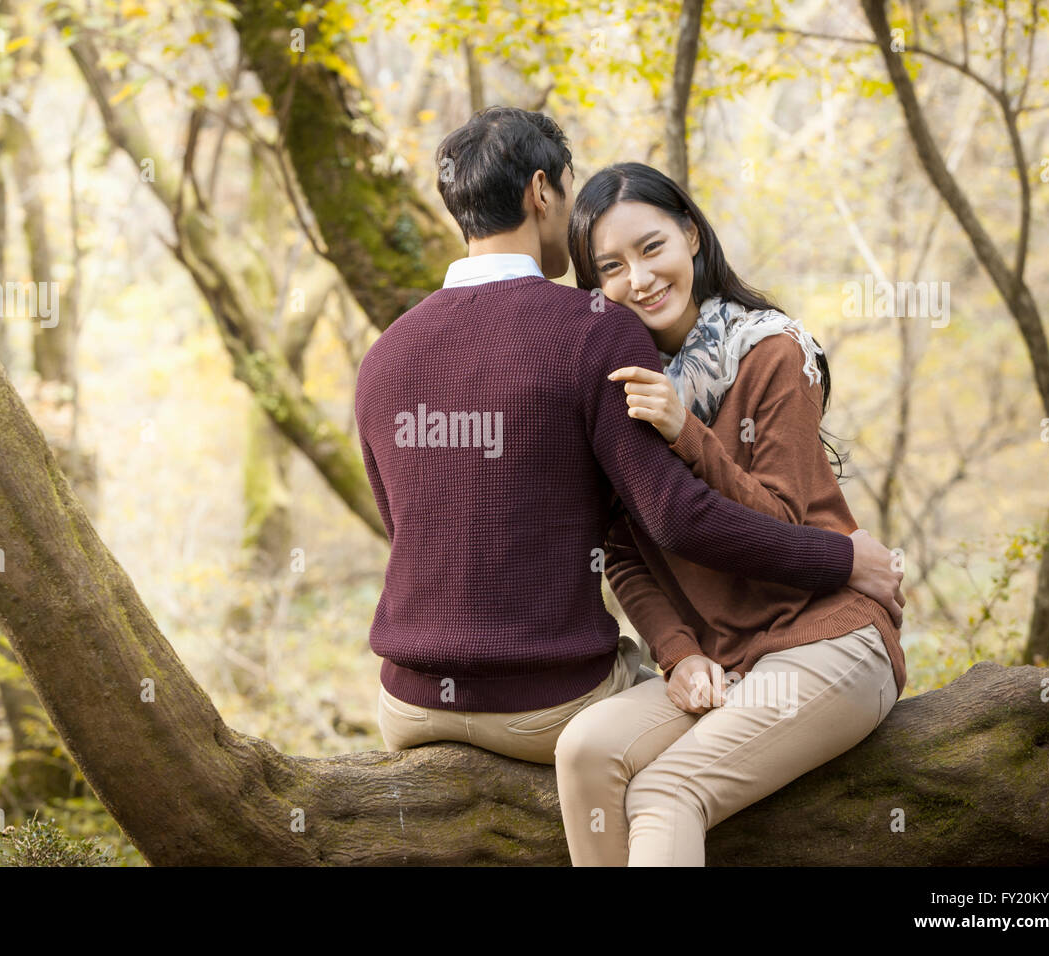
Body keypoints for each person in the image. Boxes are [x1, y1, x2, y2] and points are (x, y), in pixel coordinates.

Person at [355, 107, 904, 766]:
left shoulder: (384, 356)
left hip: (407, 705)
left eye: (650, 250)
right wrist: (843, 559)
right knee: (668, 748)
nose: (631, 279)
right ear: (540, 192)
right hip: (546, 704)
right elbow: (674, 519)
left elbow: (402, 520)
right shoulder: (593, 328)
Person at [553, 161, 907, 865]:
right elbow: (621, 549)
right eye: (611, 268)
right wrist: (677, 654)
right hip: (724, 660)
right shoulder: (618, 386)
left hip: (825, 640)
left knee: (665, 792)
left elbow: (777, 519)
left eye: (652, 248)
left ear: (690, 234)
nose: (640, 279)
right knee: (584, 749)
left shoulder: (773, 352)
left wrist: (687, 431)